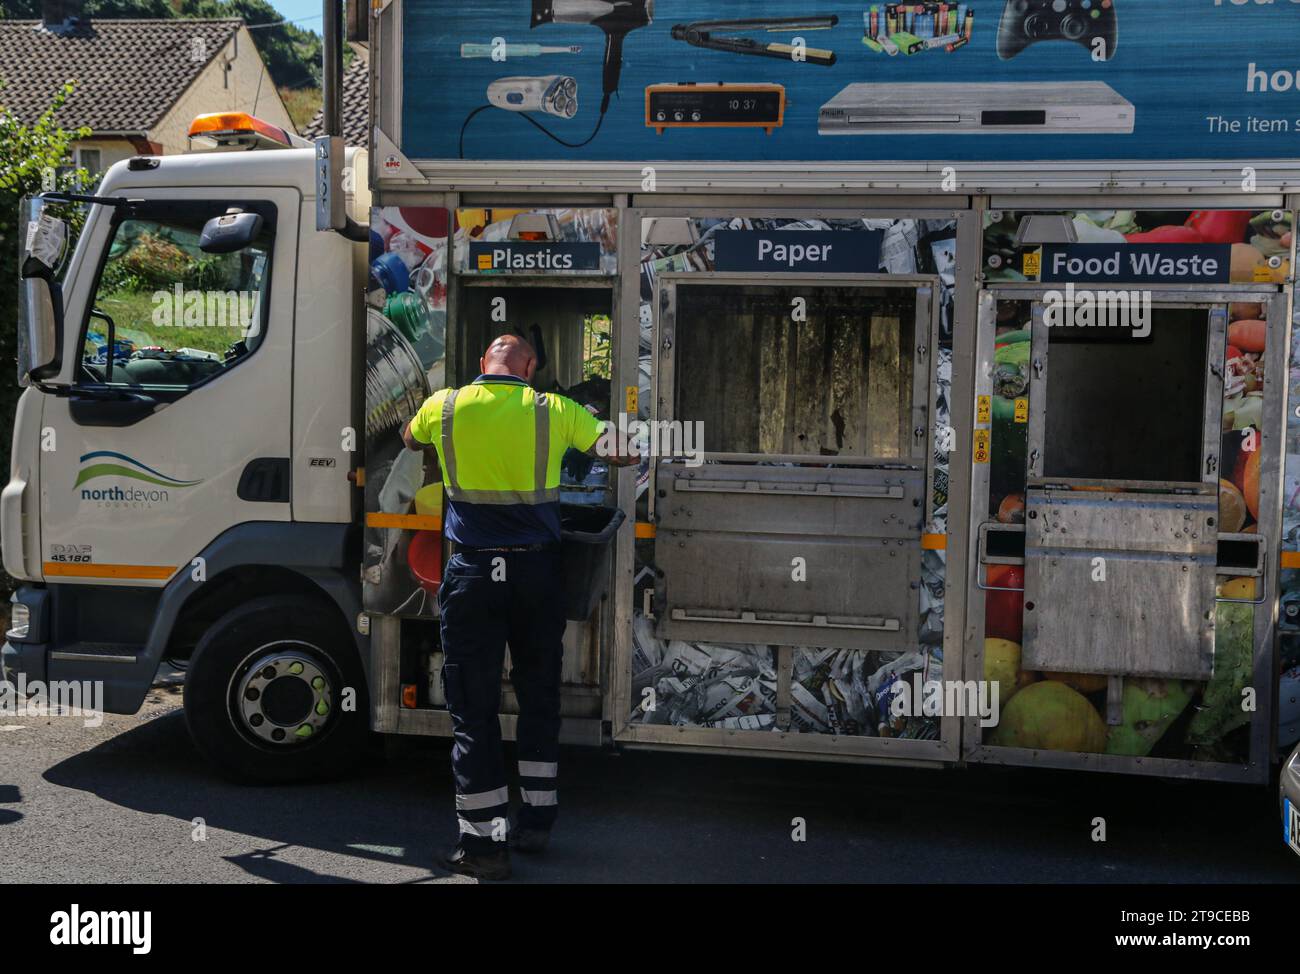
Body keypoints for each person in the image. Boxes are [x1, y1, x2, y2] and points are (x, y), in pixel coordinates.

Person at [402, 334, 636, 880]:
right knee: (538, 696)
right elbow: (620, 451)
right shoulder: (553, 409)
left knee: (474, 710)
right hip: (536, 575)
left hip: (474, 575)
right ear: (529, 369)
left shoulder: (446, 404)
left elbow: (408, 440)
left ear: (484, 364)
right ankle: (535, 822)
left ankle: (484, 846)